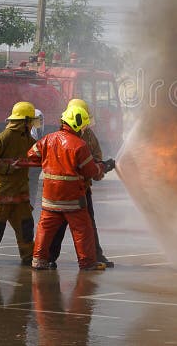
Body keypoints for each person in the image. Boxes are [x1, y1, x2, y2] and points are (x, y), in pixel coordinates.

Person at [28, 104, 105, 271]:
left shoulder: (47, 139)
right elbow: (90, 171)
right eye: (84, 125)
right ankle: (87, 263)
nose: (85, 129)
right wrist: (101, 168)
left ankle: (38, 260)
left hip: (50, 197)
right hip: (73, 199)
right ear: (77, 124)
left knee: (45, 229)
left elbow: (32, 155)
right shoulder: (79, 145)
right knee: (82, 230)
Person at [47, 98, 113, 268]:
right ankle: (48, 258)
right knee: (59, 226)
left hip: (82, 189)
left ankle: (95, 256)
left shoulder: (89, 136)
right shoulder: (62, 137)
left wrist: (101, 166)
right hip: (65, 190)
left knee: (88, 225)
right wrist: (98, 168)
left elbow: (95, 158)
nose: (85, 125)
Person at [0, 102, 42, 266]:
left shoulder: (27, 138)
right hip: (2, 192)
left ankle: (27, 256)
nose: (33, 124)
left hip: (20, 193)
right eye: (31, 120)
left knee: (25, 226)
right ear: (24, 121)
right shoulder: (6, 136)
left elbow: (36, 154)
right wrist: (7, 167)